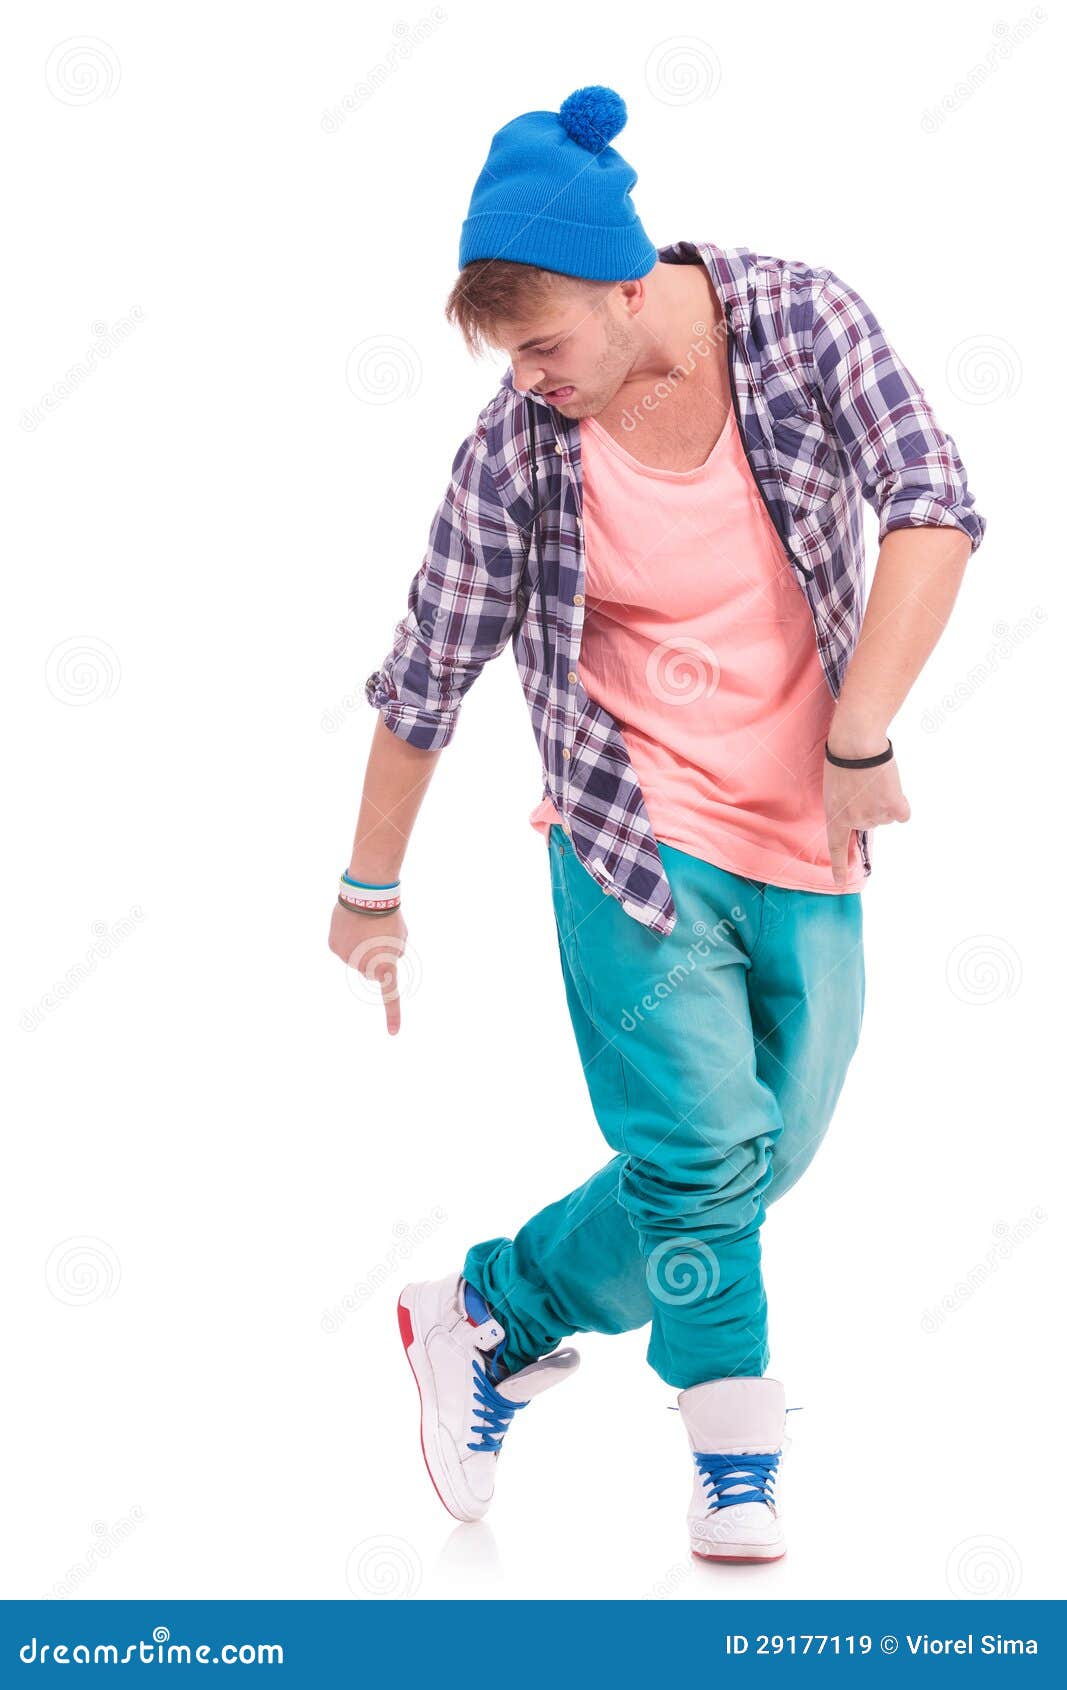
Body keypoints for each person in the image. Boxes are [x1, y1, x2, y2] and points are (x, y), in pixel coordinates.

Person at [329, 85, 986, 1562]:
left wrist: (857, 731)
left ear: (630, 285)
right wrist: (368, 886)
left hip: (804, 830)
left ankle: (493, 1310)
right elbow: (425, 668)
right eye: (512, 358)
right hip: (628, 840)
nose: (533, 380)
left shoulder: (802, 324)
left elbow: (933, 503)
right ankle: (733, 1450)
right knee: (699, 1154)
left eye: (547, 344)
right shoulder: (519, 449)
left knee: (762, 1151)